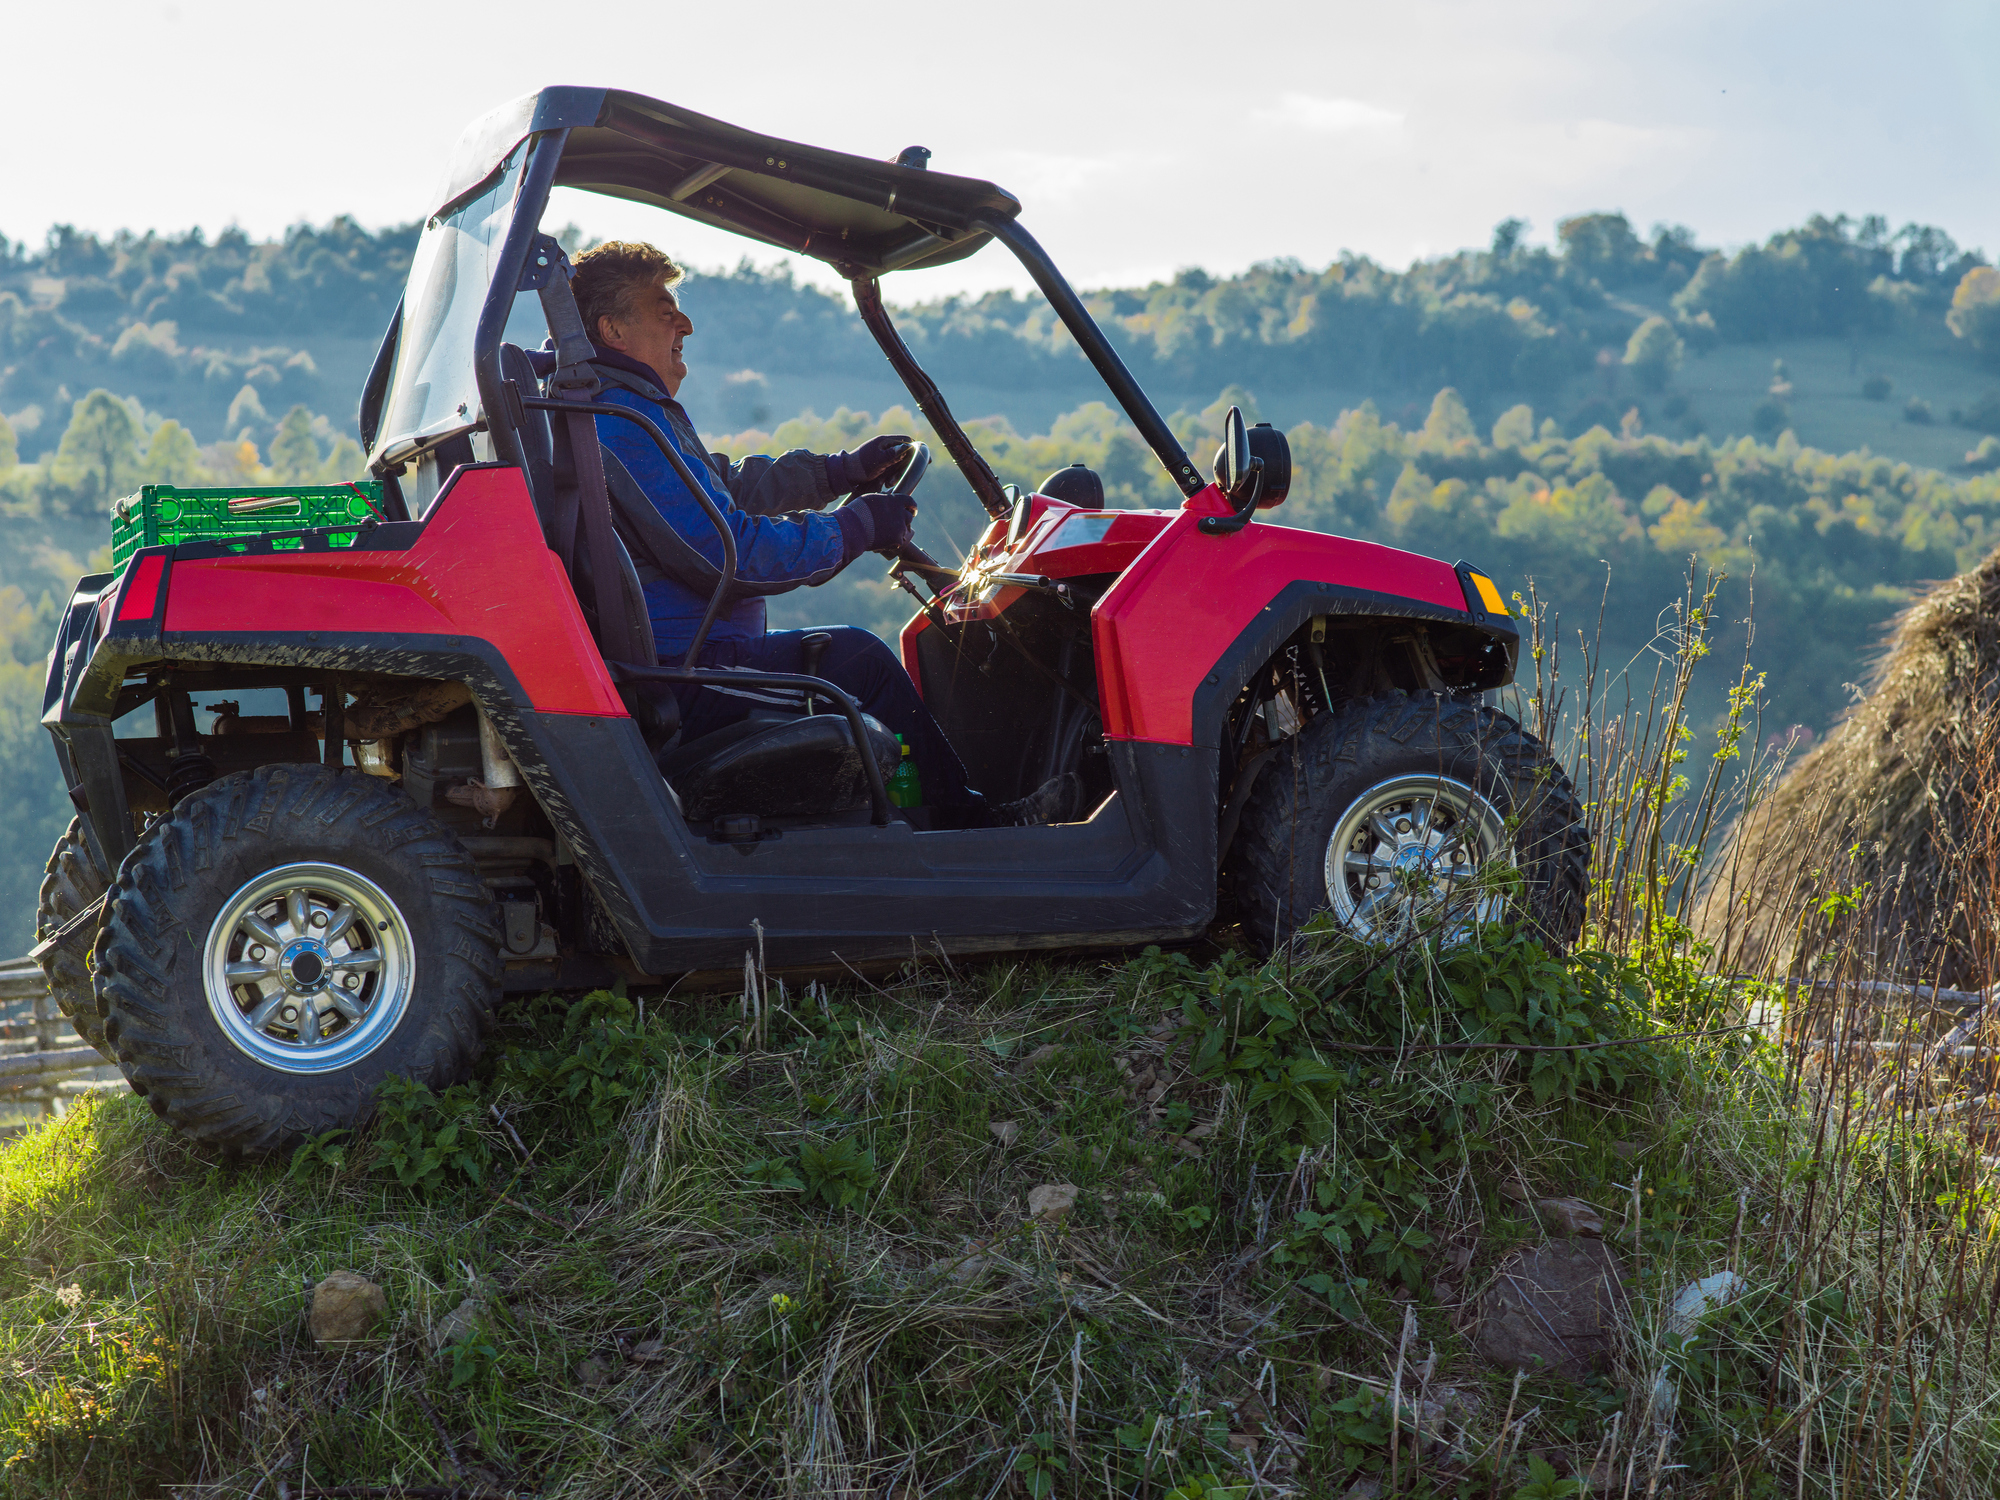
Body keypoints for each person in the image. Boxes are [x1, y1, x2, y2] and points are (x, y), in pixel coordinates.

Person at [568, 240, 1075, 825]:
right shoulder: (622, 427)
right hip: (685, 678)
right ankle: (969, 829)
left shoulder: (630, 415)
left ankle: (926, 817)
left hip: (693, 661)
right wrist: (855, 527)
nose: (685, 324)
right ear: (613, 330)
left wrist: (836, 473)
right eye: (664, 311)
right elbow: (730, 557)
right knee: (861, 664)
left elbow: (725, 486)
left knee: (857, 664)